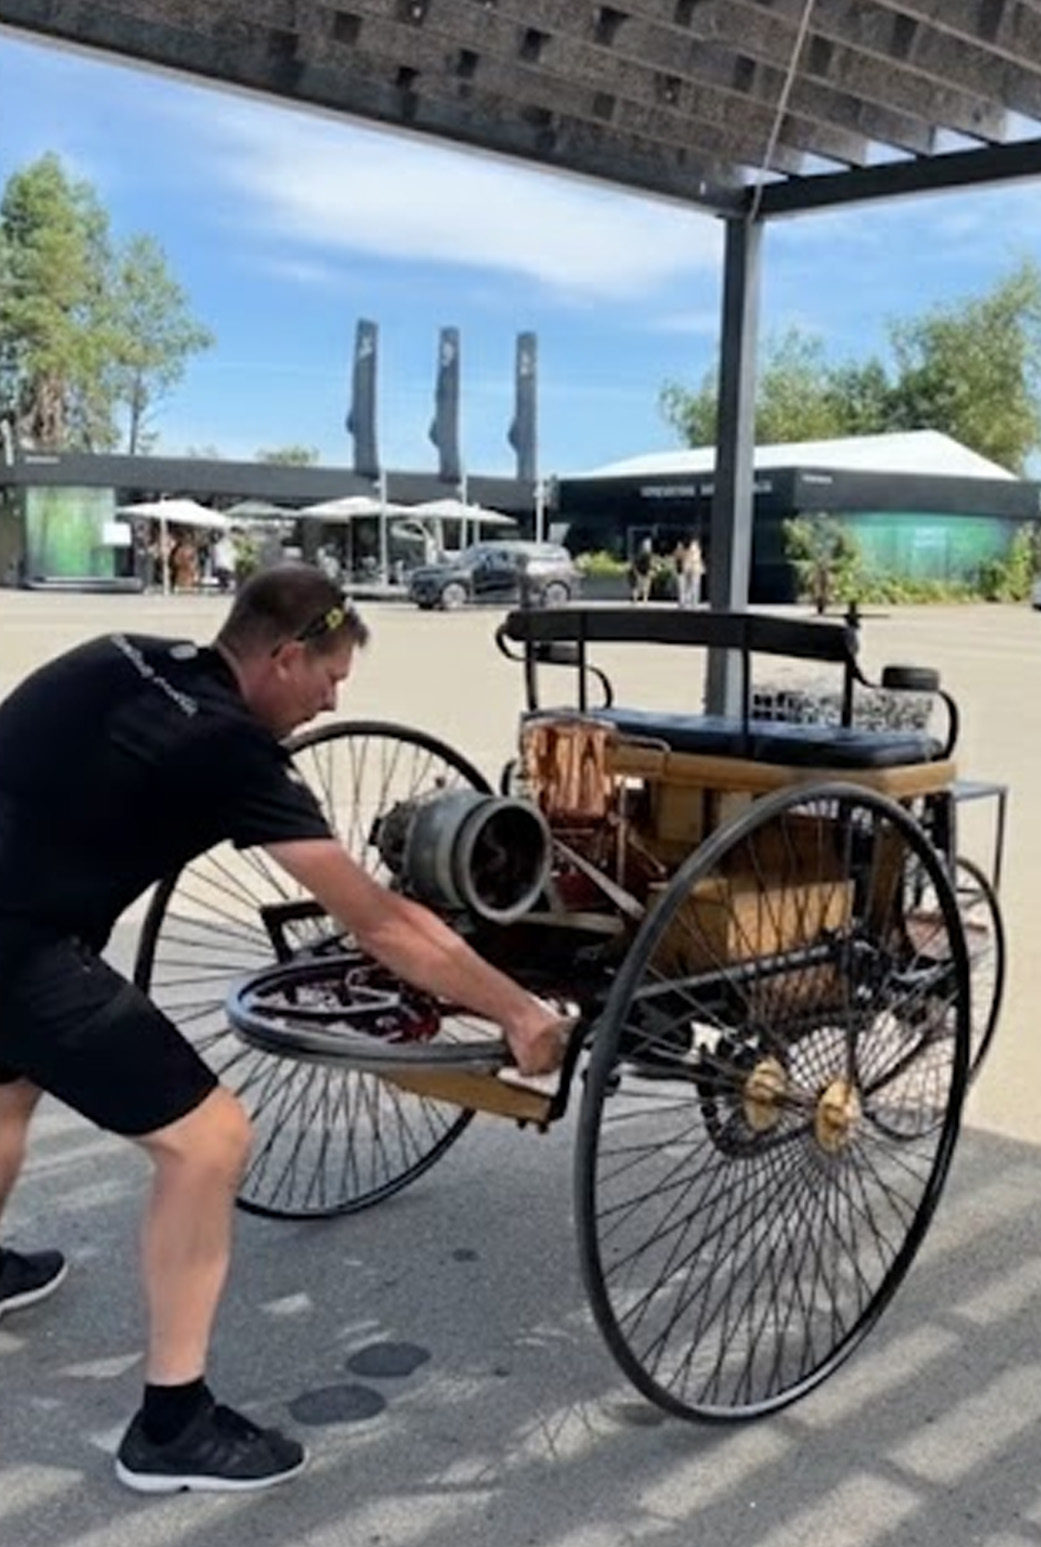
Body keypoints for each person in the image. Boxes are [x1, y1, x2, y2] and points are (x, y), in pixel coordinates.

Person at [0, 565, 570, 1497]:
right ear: (285, 655)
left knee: (11, 1080)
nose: (329, 701)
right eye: (329, 680)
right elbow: (381, 922)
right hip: (23, 951)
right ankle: (172, 1425)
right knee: (209, 1142)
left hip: (17, 919)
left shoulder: (124, 655)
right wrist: (514, 1009)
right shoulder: (228, 746)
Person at [677, 536, 704, 608]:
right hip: (686, 568)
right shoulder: (682, 547)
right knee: (685, 587)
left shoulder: (694, 548)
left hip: (694, 569)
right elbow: (679, 557)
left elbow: (695, 559)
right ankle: (684, 602)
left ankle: (693, 602)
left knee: (694, 586)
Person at [629, 534, 654, 603]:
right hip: (640, 572)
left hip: (644, 572)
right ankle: (637, 599)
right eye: (647, 545)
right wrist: (636, 572)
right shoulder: (640, 554)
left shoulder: (648, 554)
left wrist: (651, 570)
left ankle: (644, 599)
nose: (648, 547)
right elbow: (635, 563)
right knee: (639, 586)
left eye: (649, 545)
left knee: (645, 586)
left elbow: (650, 563)